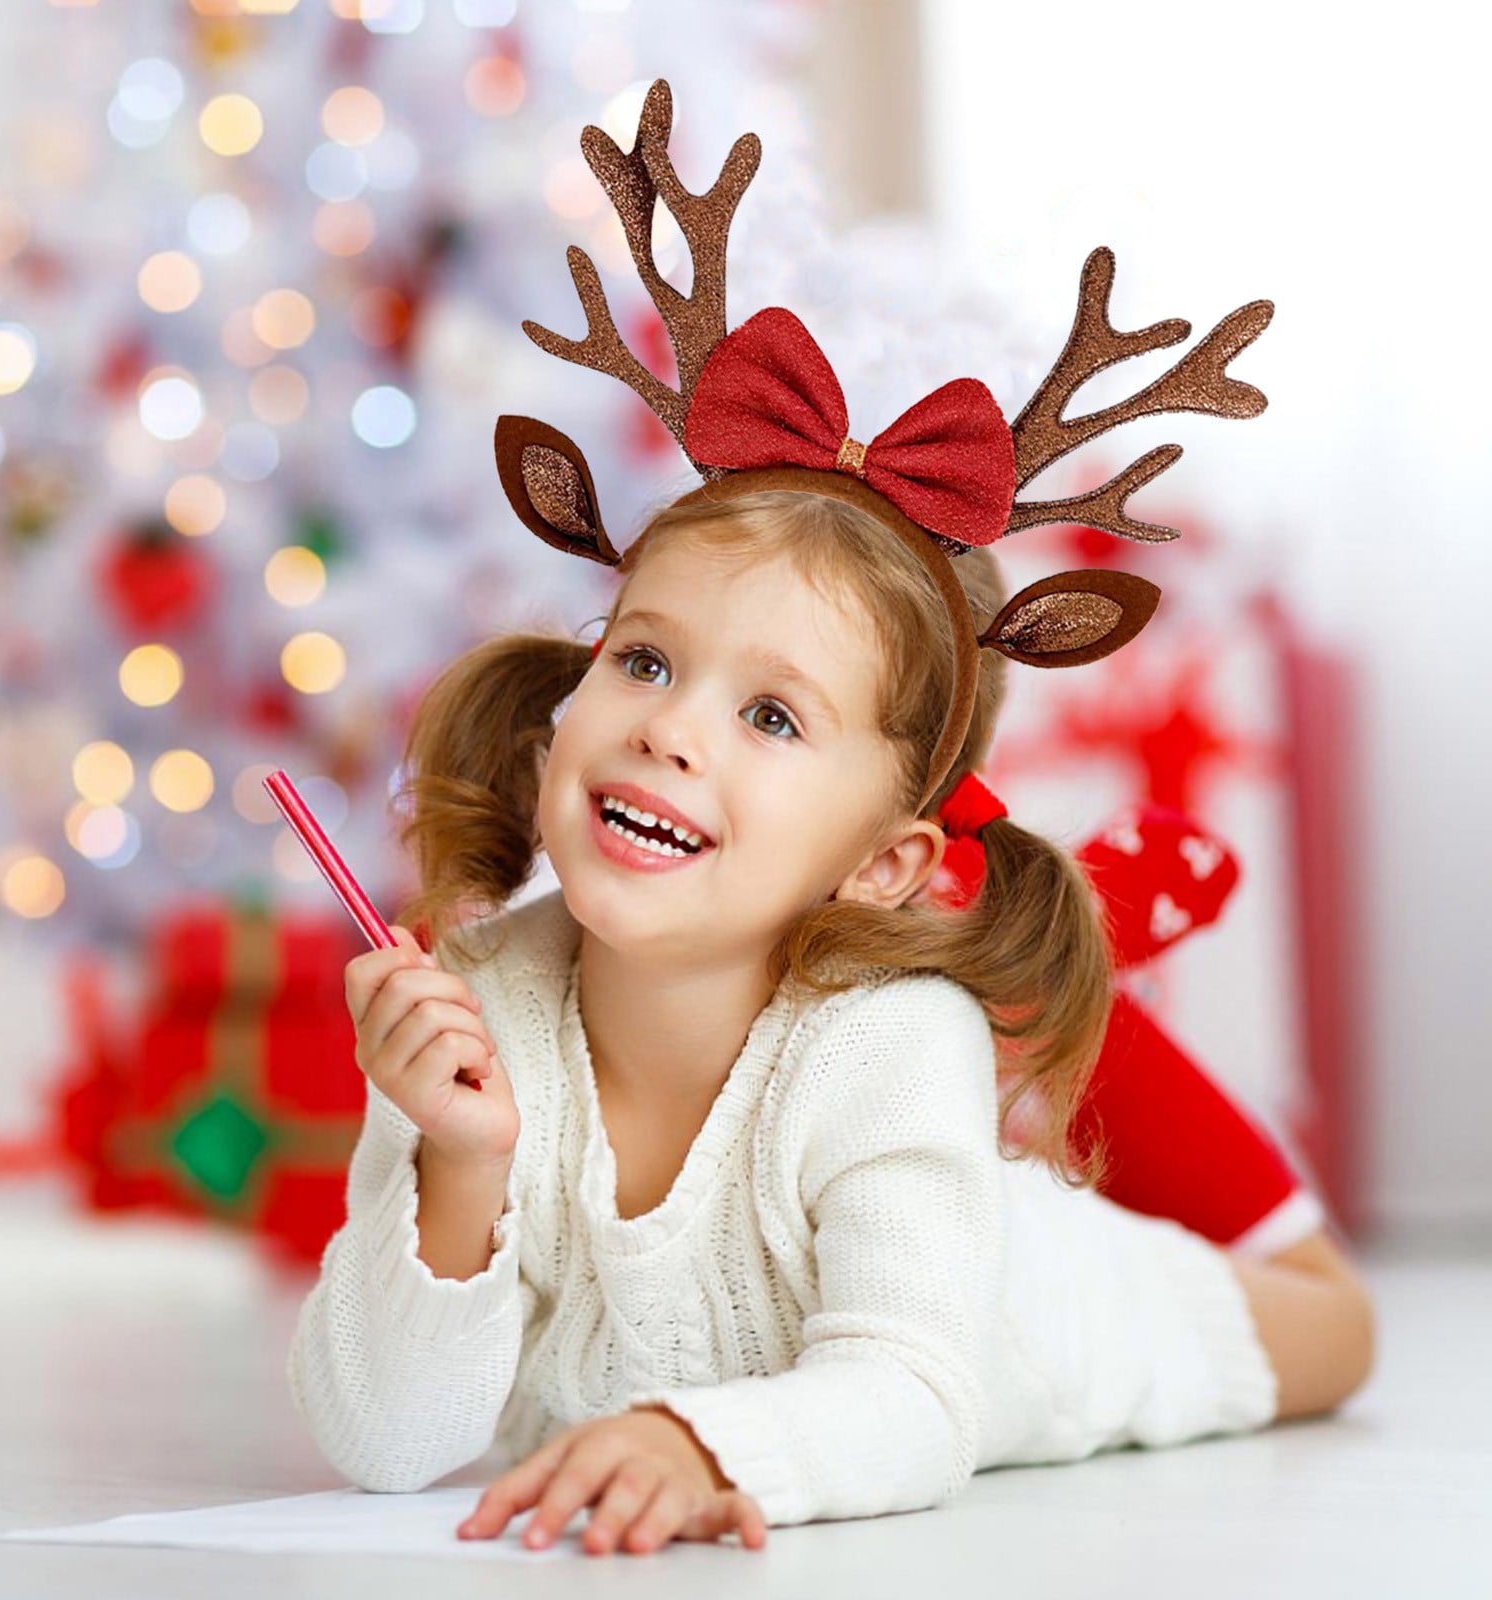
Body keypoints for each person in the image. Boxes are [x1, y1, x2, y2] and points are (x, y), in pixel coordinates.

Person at [286, 80, 1376, 1558]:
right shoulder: (468, 1014)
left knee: (1330, 1325)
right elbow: (385, 1443)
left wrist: (699, 1439)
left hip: (1062, 1314)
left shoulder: (887, 1044)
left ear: (885, 860)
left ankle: (1103, 1037)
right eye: (645, 661)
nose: (670, 727)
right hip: (880, 1187)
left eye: (772, 716)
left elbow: (913, 1402)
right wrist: (456, 1164)